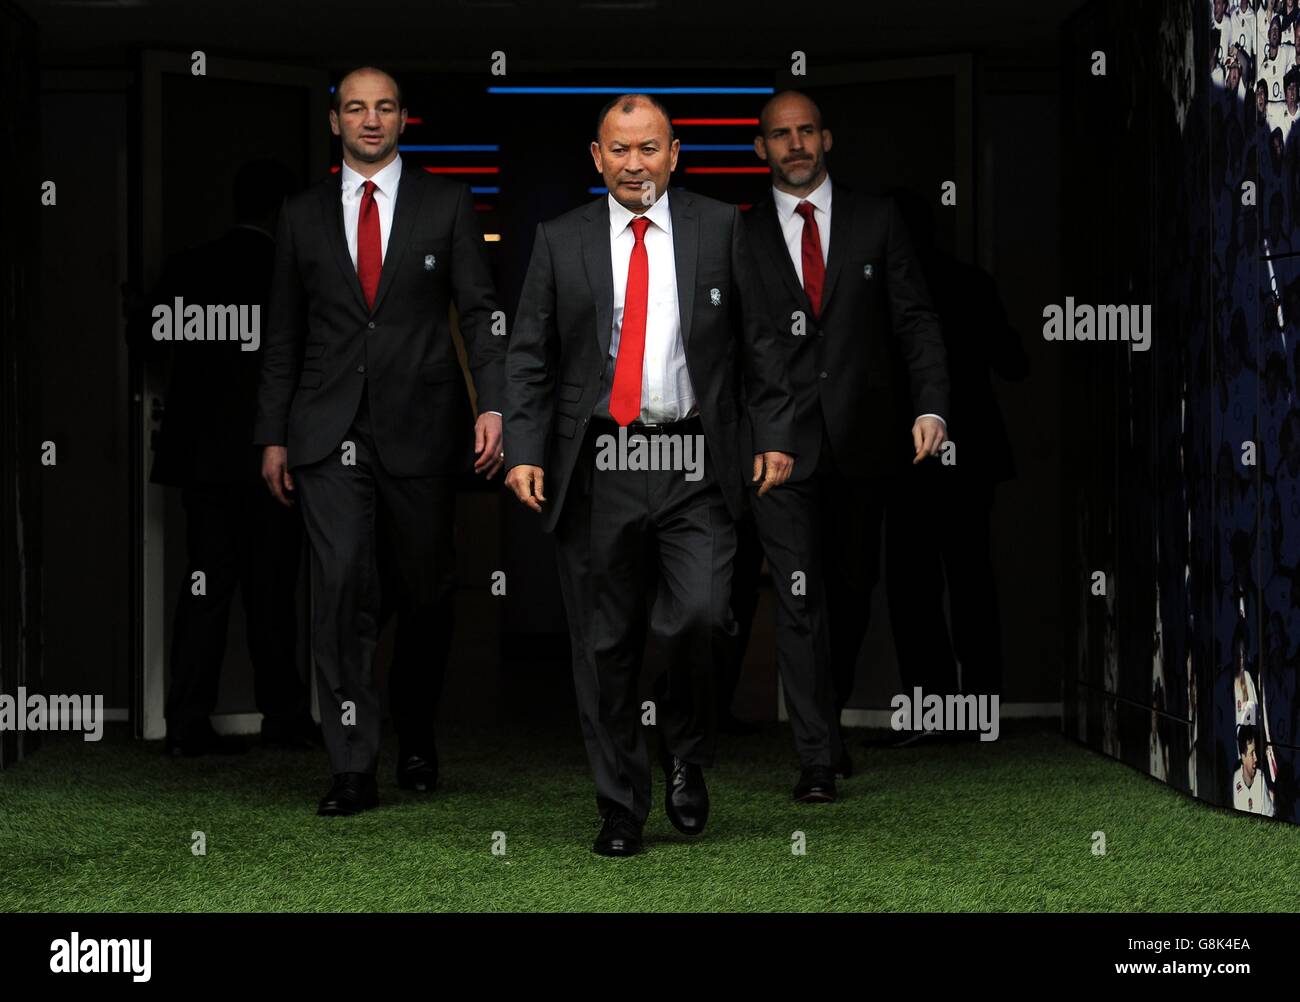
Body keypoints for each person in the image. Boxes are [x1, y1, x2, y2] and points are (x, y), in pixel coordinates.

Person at [504, 94, 796, 856]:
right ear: (596, 159)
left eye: (649, 148)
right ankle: (621, 807)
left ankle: (688, 756)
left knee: (699, 615)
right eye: (619, 150)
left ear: (675, 153)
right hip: (600, 459)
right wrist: (526, 447)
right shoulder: (558, 239)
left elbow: (761, 343)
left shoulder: (722, 227)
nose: (635, 164)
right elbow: (528, 356)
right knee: (604, 645)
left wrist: (773, 434)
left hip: (693, 457)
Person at [254, 67, 506, 816]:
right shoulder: (299, 216)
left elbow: (484, 311)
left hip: (424, 427)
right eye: (355, 108)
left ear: (404, 120)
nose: (370, 120)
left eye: (385, 107)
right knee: (340, 591)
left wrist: (494, 406)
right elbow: (283, 336)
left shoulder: (448, 202)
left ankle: (418, 728)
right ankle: (353, 764)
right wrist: (271, 433)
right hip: (326, 434)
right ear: (335, 122)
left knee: (427, 590)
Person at [744, 91, 948, 775]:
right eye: (780, 135)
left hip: (865, 440)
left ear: (826, 139)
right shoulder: (738, 233)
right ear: (761, 148)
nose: (795, 144)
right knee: (798, 592)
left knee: (850, 590)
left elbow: (914, 319)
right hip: (776, 447)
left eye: (806, 132)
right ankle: (815, 758)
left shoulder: (877, 219)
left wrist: (931, 407)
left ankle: (822, 724)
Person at [132, 159, 317, 756]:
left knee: (205, 584)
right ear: (282, 211)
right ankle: (284, 716)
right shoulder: (291, 272)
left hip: (206, 457)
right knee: (273, 588)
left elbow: (148, 339)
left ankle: (187, 719)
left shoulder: (192, 266)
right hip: (276, 456)